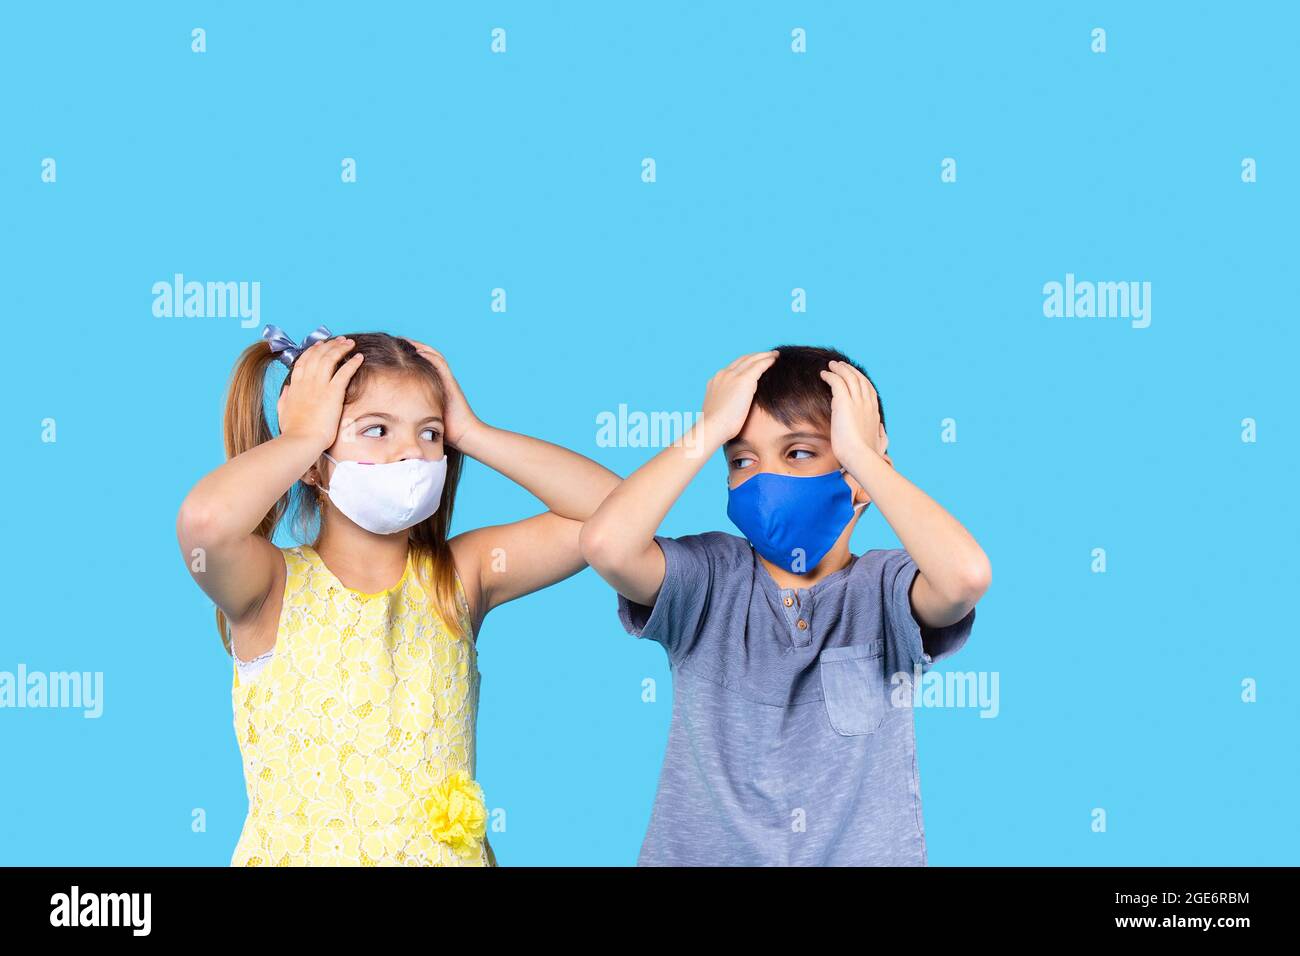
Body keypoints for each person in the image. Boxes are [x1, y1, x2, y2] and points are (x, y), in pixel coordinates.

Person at [177, 324, 620, 866]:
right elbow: (206, 523)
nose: (410, 452)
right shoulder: (269, 587)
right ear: (315, 463)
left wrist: (473, 432)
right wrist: (299, 438)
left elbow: (617, 514)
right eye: (377, 430)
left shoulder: (458, 576)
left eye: (430, 434)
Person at [580, 345, 990, 865]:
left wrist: (865, 460)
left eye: (798, 452)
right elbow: (606, 544)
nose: (763, 478)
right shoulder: (709, 579)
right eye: (742, 460)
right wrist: (707, 431)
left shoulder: (886, 588)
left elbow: (965, 577)